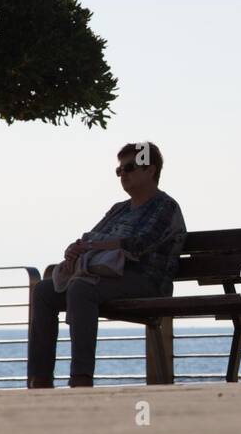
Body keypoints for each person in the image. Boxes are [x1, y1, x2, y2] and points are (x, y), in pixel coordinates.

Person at [28, 142, 185, 388]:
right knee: (44, 292)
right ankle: (40, 379)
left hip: (145, 282)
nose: (123, 174)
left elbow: (139, 244)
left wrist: (98, 244)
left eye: (130, 168)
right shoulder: (118, 209)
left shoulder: (166, 207)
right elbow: (91, 238)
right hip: (105, 278)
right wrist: (76, 250)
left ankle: (80, 378)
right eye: (119, 170)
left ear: (151, 170)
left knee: (81, 288)